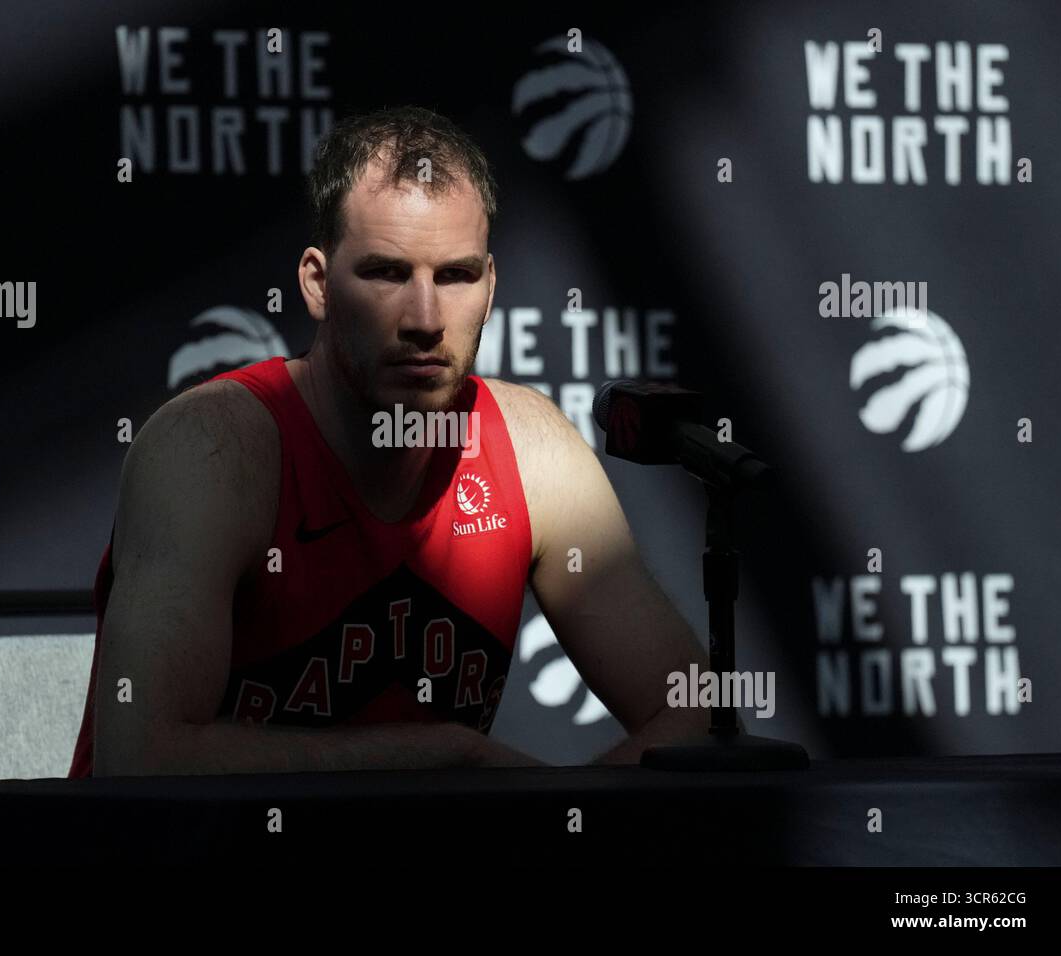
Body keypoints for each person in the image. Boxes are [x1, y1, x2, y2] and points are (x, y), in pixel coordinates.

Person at [68, 105, 713, 777]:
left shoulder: (532, 452)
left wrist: (548, 824)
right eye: (387, 274)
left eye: (456, 276)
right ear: (318, 285)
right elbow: (140, 756)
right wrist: (433, 759)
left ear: (491, 288)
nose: (426, 319)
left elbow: (697, 714)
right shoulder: (211, 449)